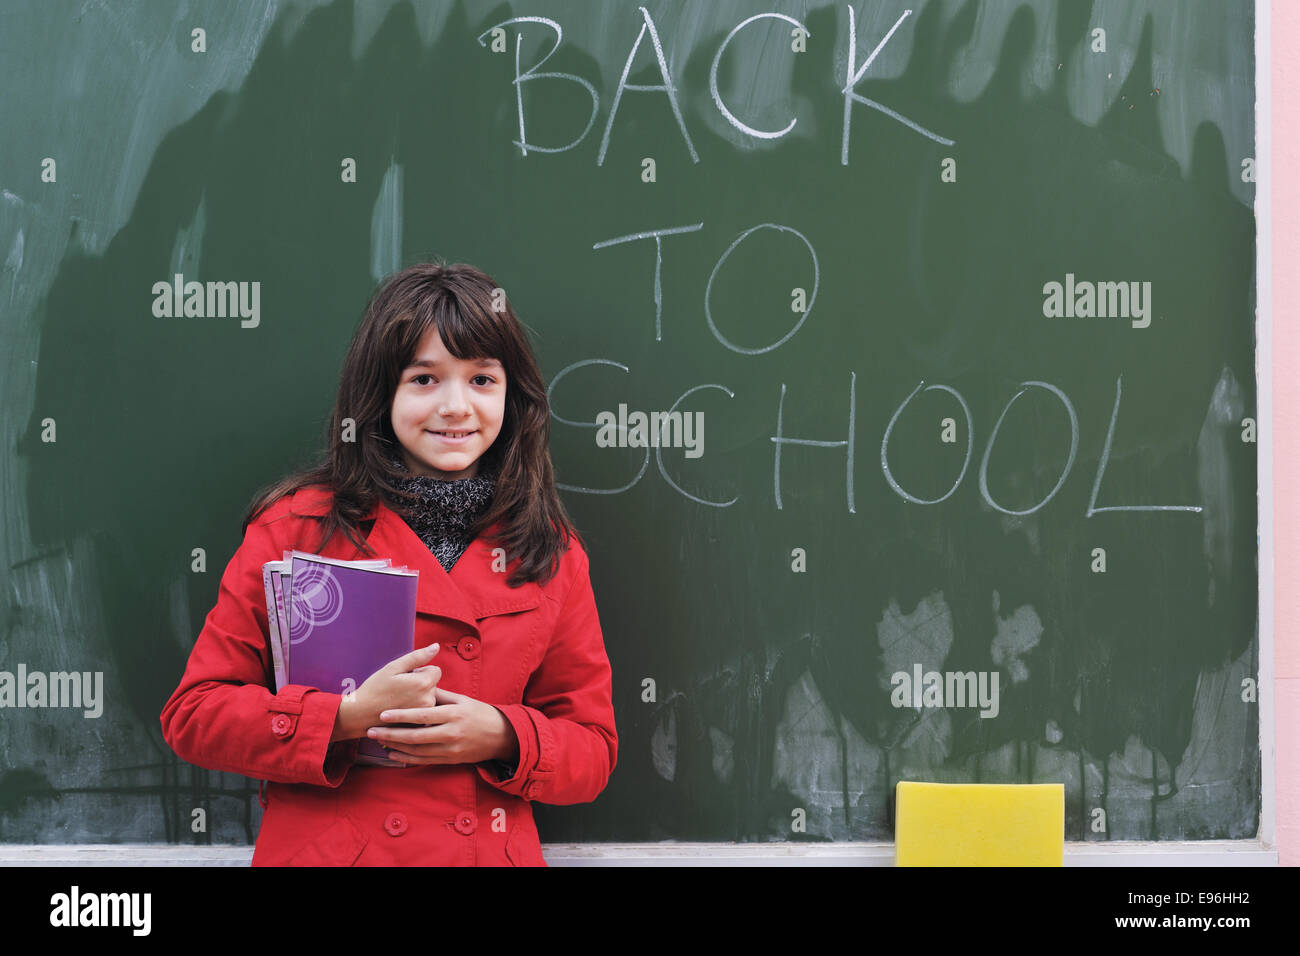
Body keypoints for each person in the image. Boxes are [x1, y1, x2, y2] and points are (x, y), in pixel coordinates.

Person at [160, 262, 617, 865]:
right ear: (380, 393)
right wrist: (341, 720)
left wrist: (503, 736)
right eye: (424, 379)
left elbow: (593, 750)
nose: (456, 407)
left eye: (482, 379)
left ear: (513, 394)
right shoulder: (296, 529)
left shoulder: (550, 551)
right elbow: (194, 714)